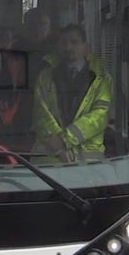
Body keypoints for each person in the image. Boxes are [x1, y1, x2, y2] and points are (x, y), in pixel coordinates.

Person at [32, 24, 112, 162]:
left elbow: (100, 116)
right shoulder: (45, 76)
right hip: (47, 163)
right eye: (64, 43)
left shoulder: (101, 78)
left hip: (88, 166)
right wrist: (57, 145)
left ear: (86, 47)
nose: (68, 47)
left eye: (74, 42)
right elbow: (40, 112)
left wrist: (65, 139)